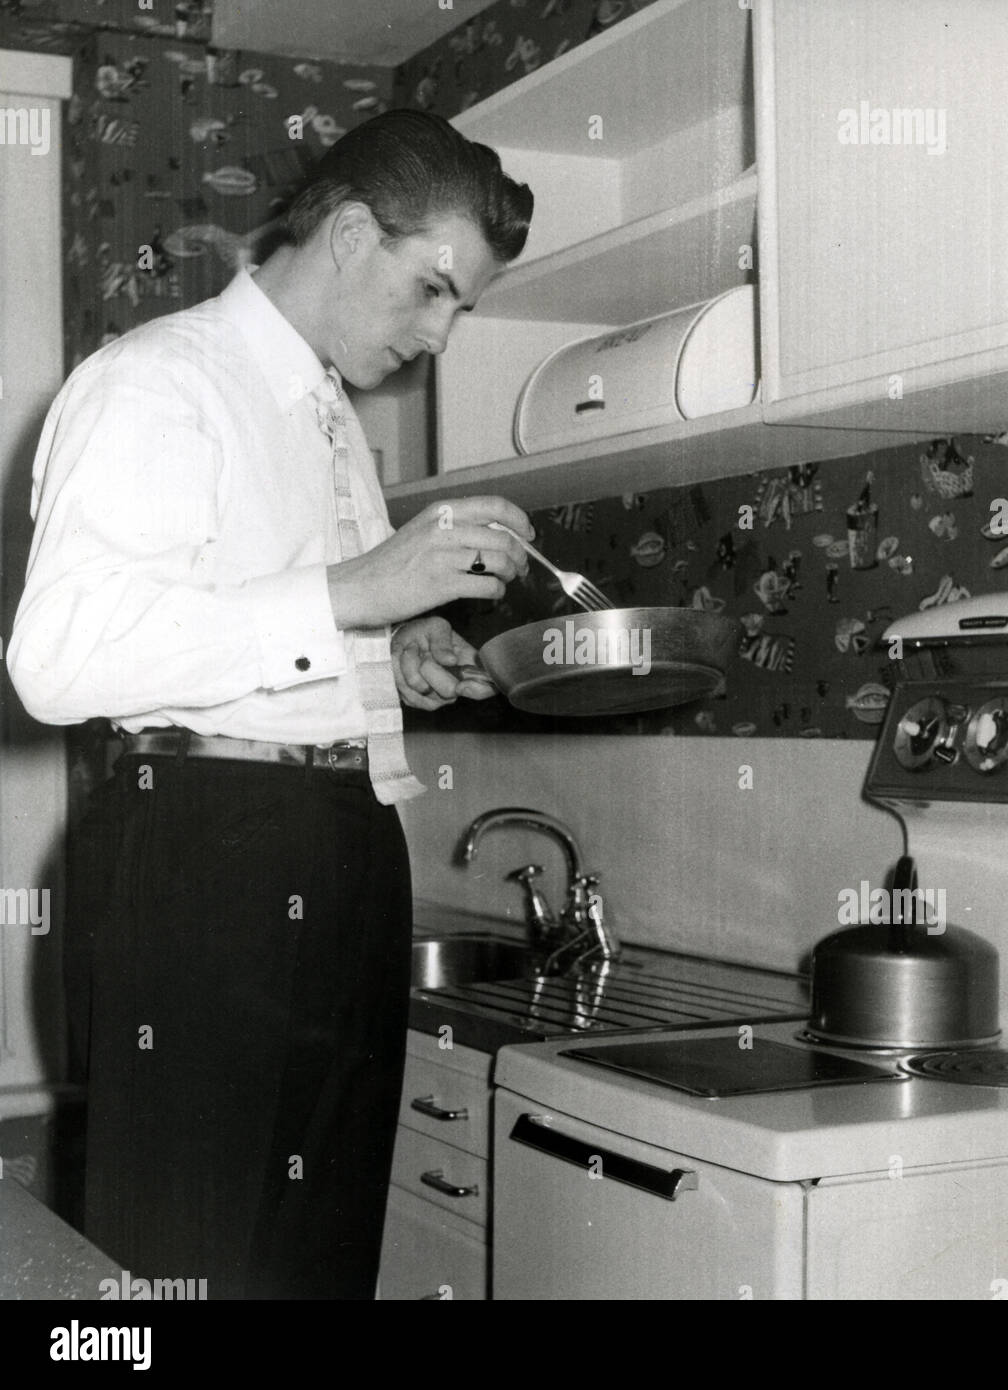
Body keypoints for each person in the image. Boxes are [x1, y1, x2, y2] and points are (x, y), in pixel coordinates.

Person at [7, 109, 535, 1299]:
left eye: (463, 308)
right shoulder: (156, 380)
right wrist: (353, 588)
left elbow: (275, 628)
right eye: (433, 289)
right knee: (188, 1261)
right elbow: (60, 657)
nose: (441, 334)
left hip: (344, 842)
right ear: (350, 232)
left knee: (317, 1256)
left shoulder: (326, 412)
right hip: (211, 849)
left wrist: (388, 657)